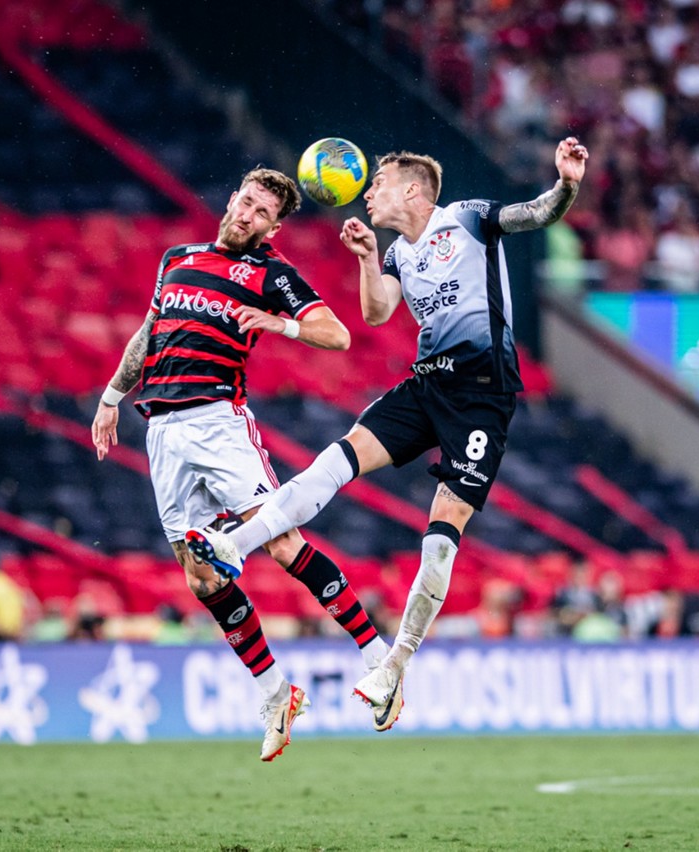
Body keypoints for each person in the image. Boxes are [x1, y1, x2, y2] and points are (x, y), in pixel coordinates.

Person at [186, 138, 589, 731]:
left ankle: (394, 664)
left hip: (482, 397)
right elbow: (377, 314)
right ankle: (234, 547)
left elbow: (537, 212)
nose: (368, 189)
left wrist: (567, 185)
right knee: (334, 459)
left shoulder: (469, 218)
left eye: (378, 181)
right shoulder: (400, 250)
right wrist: (368, 257)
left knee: (440, 542)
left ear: (413, 190)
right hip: (426, 387)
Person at [91, 167, 390, 762]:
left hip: (219, 422)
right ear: (231, 199)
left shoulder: (269, 273)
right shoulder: (178, 257)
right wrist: (109, 397)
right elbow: (148, 333)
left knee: (280, 542)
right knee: (202, 578)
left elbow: (336, 335)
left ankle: (377, 654)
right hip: (162, 430)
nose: (249, 214)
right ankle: (276, 693)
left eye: (262, 213)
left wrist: (280, 322)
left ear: (274, 226)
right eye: (246, 202)